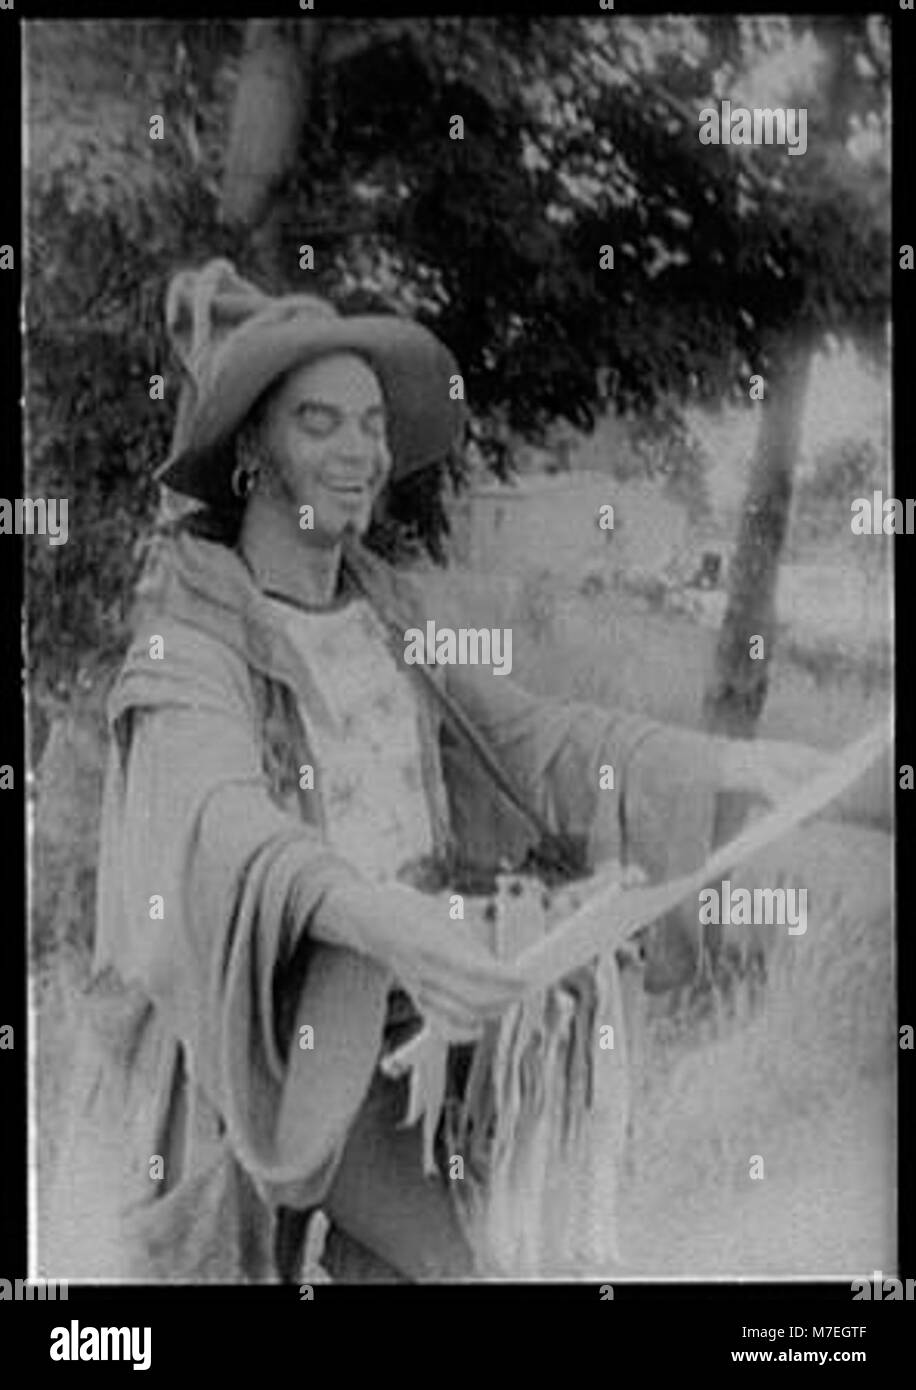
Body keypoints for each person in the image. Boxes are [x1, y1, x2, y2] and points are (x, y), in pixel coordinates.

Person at [45, 259, 829, 1284]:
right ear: (251, 451)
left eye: (370, 424)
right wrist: (379, 918)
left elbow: (541, 741)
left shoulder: (393, 616)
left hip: (414, 1028)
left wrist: (732, 759)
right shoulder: (187, 644)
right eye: (319, 422)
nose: (359, 451)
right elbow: (224, 823)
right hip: (277, 1047)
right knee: (471, 1275)